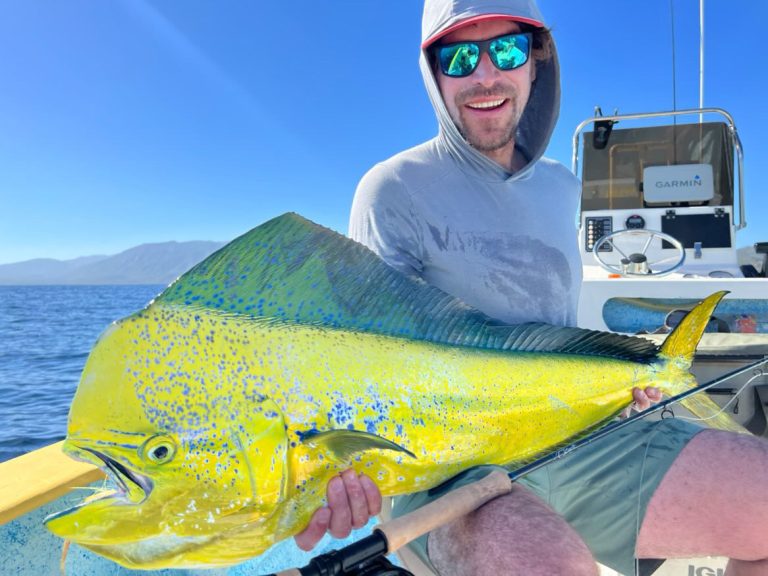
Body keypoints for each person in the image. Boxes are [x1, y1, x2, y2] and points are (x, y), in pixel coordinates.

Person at [295, 1, 768, 574]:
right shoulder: (391, 188)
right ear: (434, 74)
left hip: (583, 438)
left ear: (537, 59)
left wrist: (617, 387)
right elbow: (369, 365)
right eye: (459, 57)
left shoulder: (562, 187)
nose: (485, 74)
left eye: (507, 49)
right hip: (452, 468)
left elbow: (557, 327)